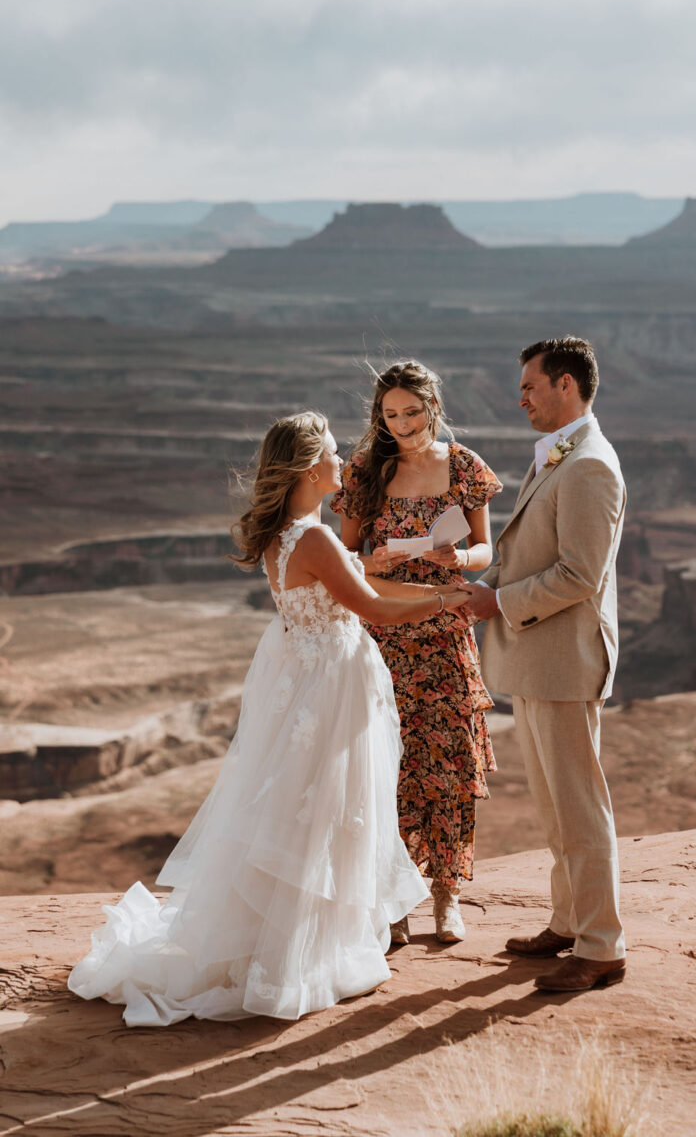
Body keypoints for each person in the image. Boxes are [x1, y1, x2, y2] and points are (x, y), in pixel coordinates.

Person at [68, 411, 470, 1026]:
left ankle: (286, 940)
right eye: (334, 454)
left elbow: (363, 579)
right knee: (328, 809)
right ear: (312, 468)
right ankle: (304, 954)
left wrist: (446, 588)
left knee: (299, 807)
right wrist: (456, 604)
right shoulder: (316, 539)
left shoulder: (288, 535)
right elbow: (373, 610)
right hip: (332, 685)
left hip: (306, 680)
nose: (343, 462)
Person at [461, 337, 627, 992]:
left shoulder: (590, 465)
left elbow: (580, 575)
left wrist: (497, 601)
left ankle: (602, 945)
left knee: (580, 805)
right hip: (539, 659)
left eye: (530, 385)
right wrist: (481, 584)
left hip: (564, 660)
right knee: (555, 805)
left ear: (566, 384)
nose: (520, 396)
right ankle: (568, 922)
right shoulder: (562, 454)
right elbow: (533, 552)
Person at [331, 361, 502, 945]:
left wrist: (461, 561)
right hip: (383, 634)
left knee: (448, 761)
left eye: (410, 411)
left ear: (433, 406)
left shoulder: (462, 465)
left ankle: (446, 898)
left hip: (446, 630)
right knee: (389, 764)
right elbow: (344, 556)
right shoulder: (364, 472)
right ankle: (393, 903)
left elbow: (485, 548)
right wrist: (376, 561)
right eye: (389, 414)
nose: (401, 424)